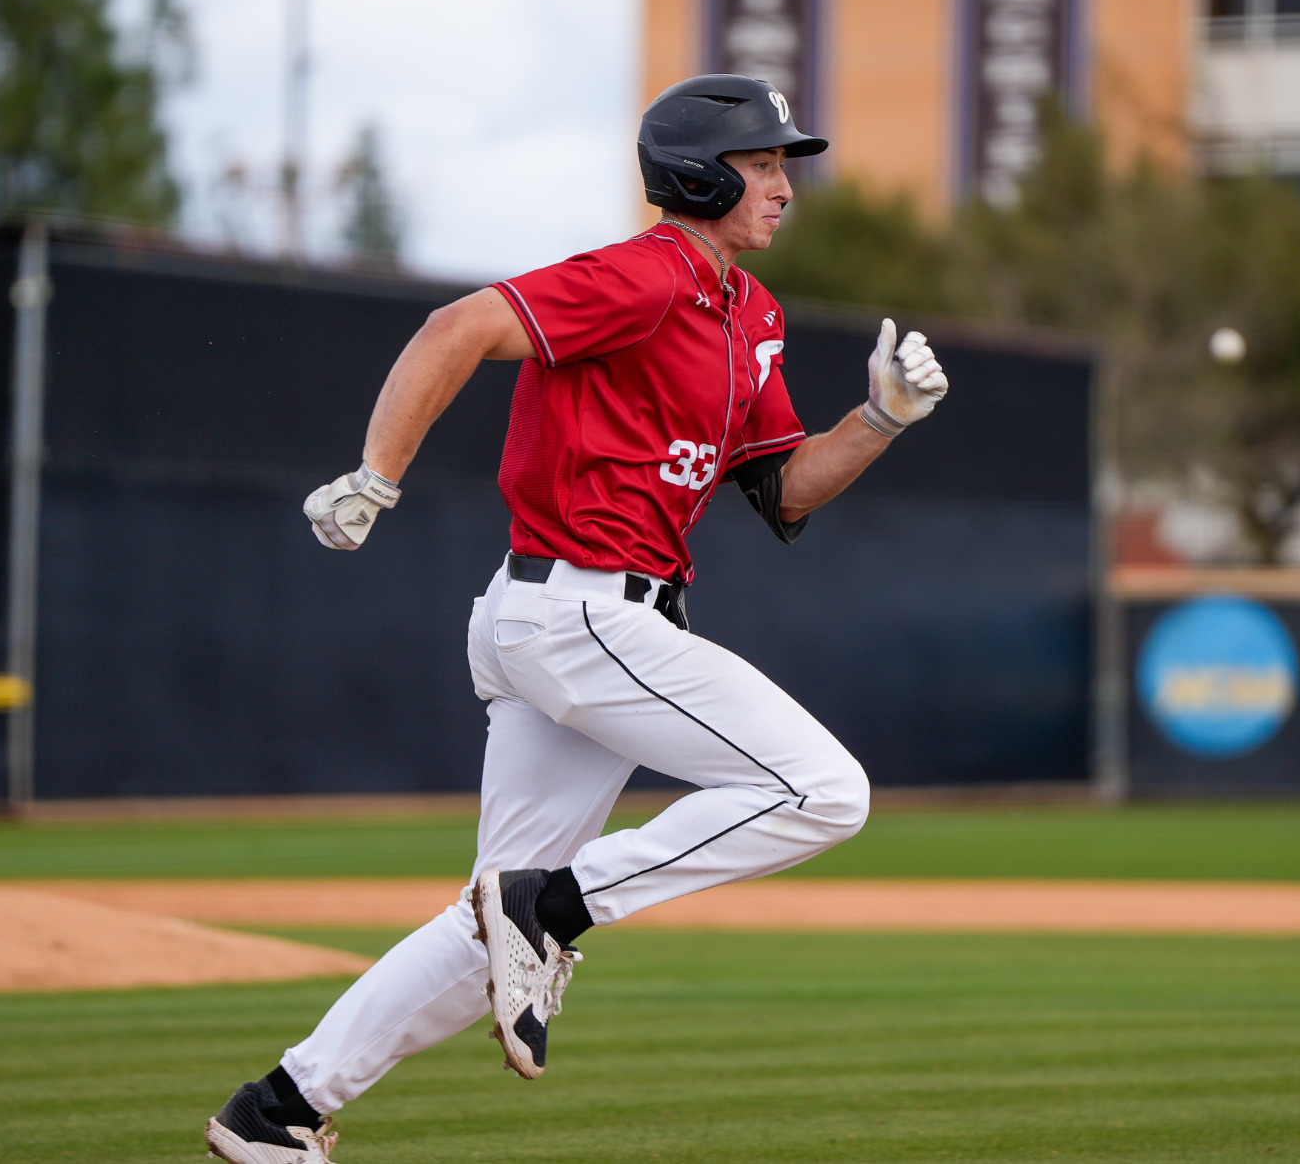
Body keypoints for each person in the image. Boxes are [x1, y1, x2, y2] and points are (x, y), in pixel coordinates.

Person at [204, 74, 949, 1164]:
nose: (784, 185)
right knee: (822, 791)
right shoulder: (646, 275)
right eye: (761, 164)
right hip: (582, 612)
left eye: (783, 164)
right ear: (697, 175)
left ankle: (279, 1109)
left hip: (571, 621)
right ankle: (552, 907)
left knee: (482, 932)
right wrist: (376, 475)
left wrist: (880, 417)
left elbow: (783, 491)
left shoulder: (752, 315)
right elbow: (457, 325)